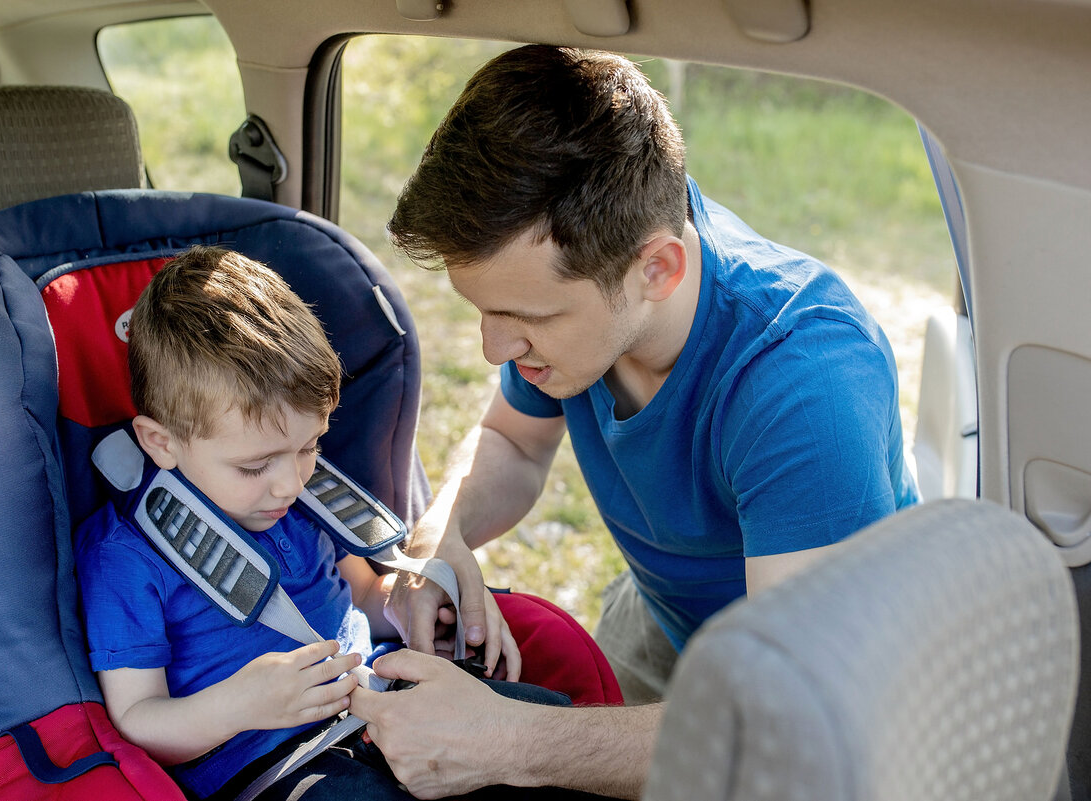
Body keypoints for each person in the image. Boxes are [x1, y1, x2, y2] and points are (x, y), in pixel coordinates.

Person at [349, 44, 919, 800]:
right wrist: (439, 536)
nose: (495, 347)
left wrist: (507, 740)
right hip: (671, 620)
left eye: (525, 317)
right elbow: (511, 443)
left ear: (659, 270)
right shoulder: (608, 253)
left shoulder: (805, 389)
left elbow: (791, 721)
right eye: (483, 310)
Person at [75, 246, 542, 801]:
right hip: (275, 768)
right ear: (161, 442)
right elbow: (135, 719)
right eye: (254, 465)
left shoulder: (303, 498)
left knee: (537, 729)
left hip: (379, 708)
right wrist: (239, 705)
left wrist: (420, 605)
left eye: (310, 446)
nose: (290, 483)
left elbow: (362, 594)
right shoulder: (126, 558)